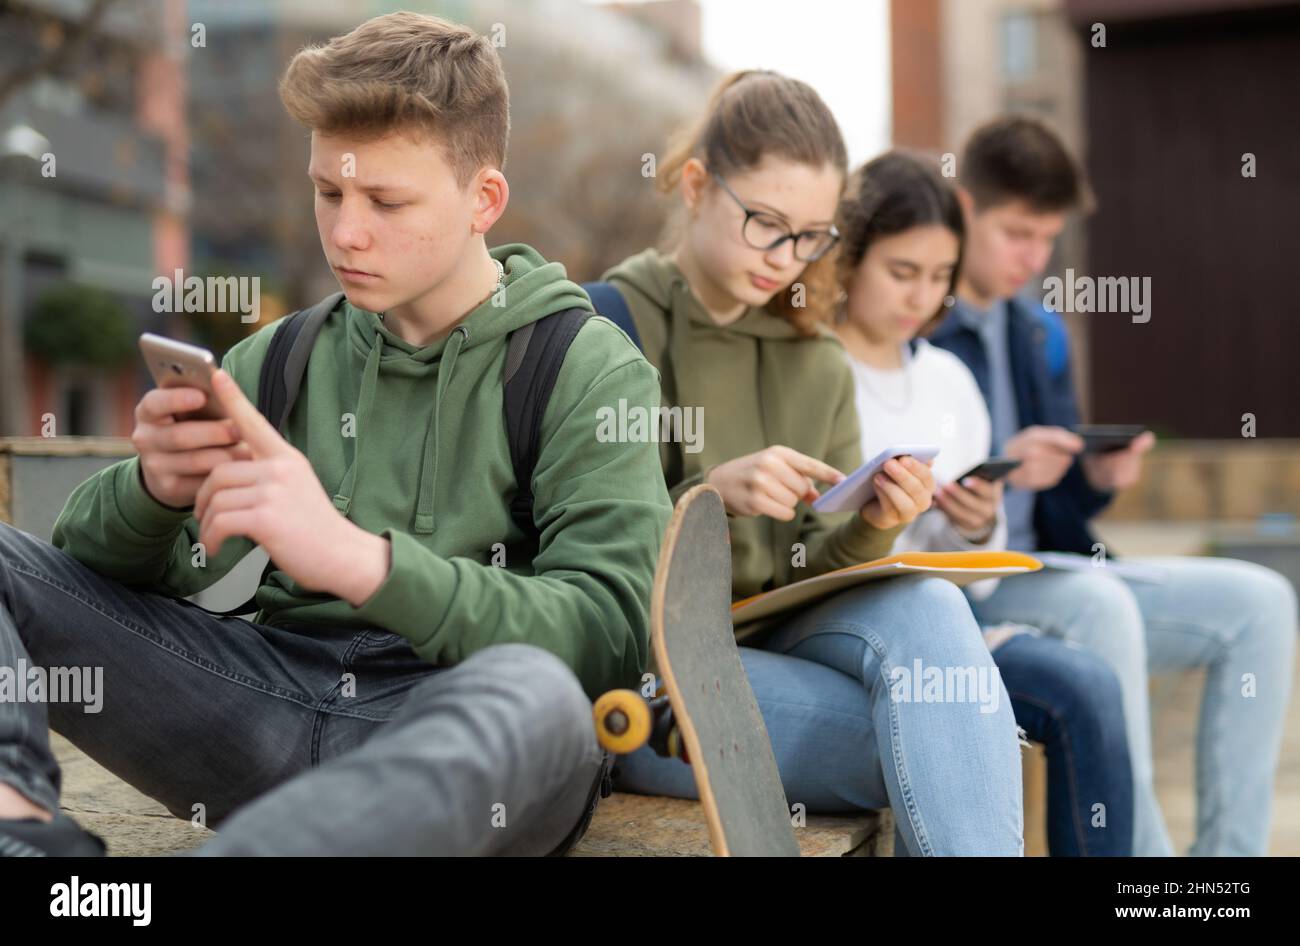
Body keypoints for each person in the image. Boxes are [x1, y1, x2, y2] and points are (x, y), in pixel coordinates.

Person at [0, 12, 672, 857]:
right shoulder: (282, 354)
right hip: (260, 704)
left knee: (537, 692)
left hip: (457, 734)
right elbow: (80, 583)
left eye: (387, 200)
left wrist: (365, 563)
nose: (346, 232)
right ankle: (20, 835)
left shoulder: (587, 366)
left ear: (484, 199)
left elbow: (610, 638)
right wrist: (153, 494)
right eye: (329, 192)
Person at [604, 71, 1024, 856]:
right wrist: (708, 497)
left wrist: (875, 527)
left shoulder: (816, 358)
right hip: (657, 674)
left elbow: (808, 572)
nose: (787, 258)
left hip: (780, 644)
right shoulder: (607, 327)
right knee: (955, 731)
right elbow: (586, 558)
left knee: (931, 610)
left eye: (812, 235)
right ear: (697, 187)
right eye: (766, 223)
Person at [929, 114, 1296, 856]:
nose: (1034, 258)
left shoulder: (1036, 332)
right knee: (1099, 605)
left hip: (1057, 566)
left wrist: (1095, 478)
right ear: (965, 208)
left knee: (1263, 602)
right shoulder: (917, 322)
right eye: (1018, 234)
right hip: (970, 584)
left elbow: (1061, 504)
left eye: (1047, 238)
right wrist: (1000, 458)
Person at [833, 150, 1132, 855]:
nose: (921, 298)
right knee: (1069, 688)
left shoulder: (949, 378)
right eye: (902, 273)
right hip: (862, 619)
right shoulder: (816, 371)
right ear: (848, 260)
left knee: (1088, 682)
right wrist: (881, 518)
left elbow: (986, 574)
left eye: (939, 278)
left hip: (956, 613)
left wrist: (974, 526)